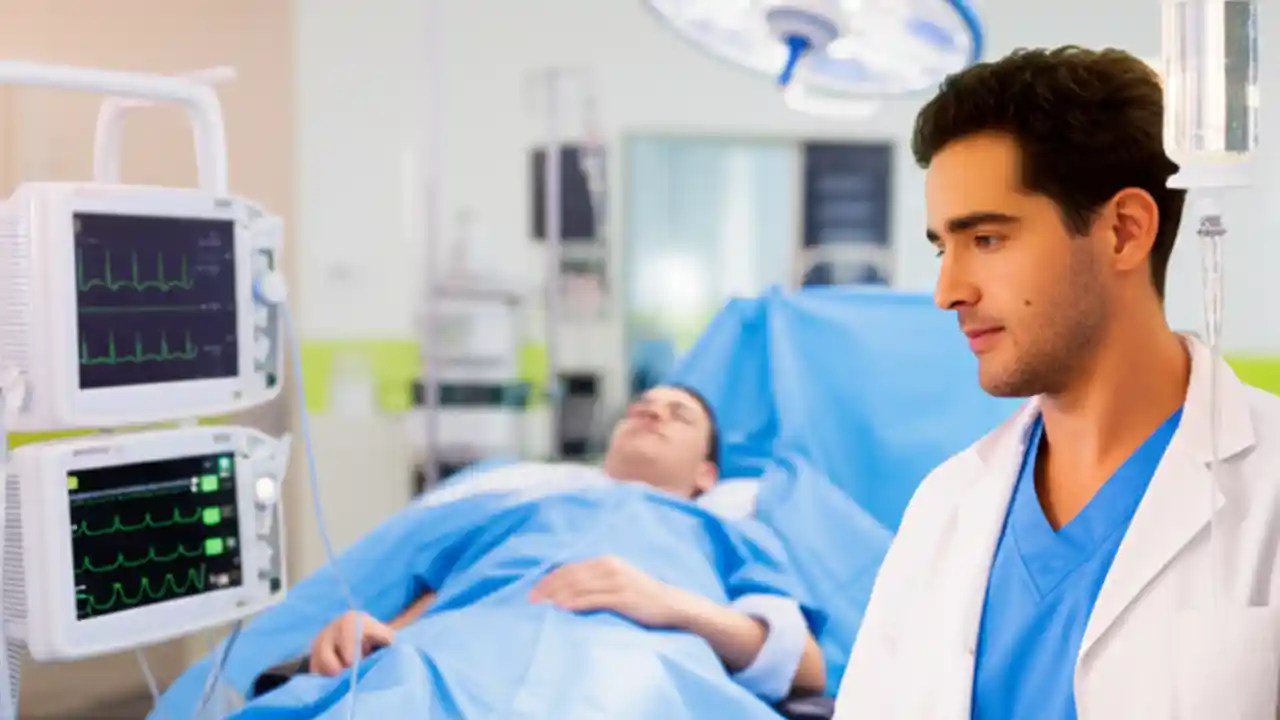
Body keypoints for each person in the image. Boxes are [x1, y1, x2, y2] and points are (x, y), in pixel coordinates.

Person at [835, 47, 1280, 719]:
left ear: (1124, 233)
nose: (947, 290)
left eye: (985, 239)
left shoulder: (1268, 491)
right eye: (940, 248)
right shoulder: (945, 509)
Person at [306, 384, 827, 701]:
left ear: (707, 474)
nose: (653, 412)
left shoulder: (728, 532)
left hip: (630, 667)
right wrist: (368, 632)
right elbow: (454, 593)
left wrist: (668, 604)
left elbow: (804, 666)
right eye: (641, 407)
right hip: (459, 655)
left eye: (679, 414)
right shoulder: (529, 507)